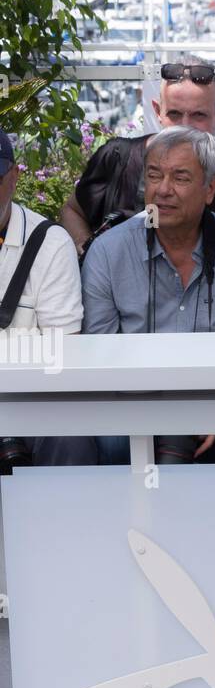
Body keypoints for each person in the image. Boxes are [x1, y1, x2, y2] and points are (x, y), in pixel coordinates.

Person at [79, 126, 215, 466]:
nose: (163, 190)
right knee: (110, 440)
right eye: (154, 175)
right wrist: (150, 415)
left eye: (181, 178)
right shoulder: (108, 253)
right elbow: (98, 359)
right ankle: (130, 520)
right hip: (133, 403)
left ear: (210, 188)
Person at [59, 52, 215, 333]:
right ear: (157, 110)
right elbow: (73, 209)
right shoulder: (117, 158)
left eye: (198, 116)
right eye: (174, 114)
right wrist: (92, 253)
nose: (184, 126)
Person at [0, 132, 83, 469]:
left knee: (69, 436)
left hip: (30, 402)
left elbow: (62, 356)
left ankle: (63, 522)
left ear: (14, 177)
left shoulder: (50, 244)